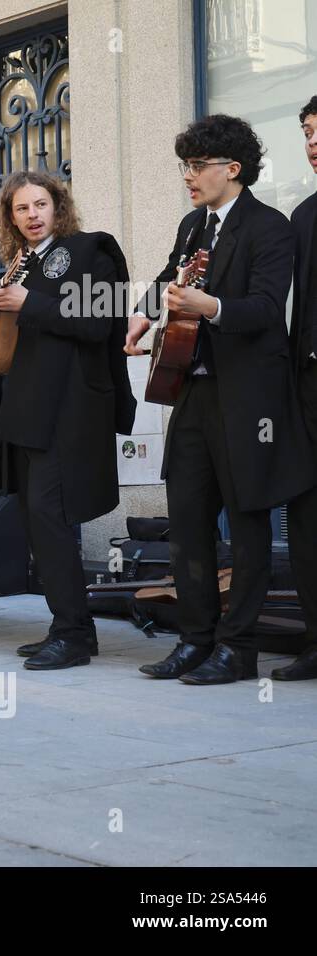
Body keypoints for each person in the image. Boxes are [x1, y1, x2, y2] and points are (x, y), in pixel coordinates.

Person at [126, 114, 313, 684]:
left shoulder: (270, 227)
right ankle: (195, 637)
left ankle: (239, 647)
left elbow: (264, 309)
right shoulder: (191, 225)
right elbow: (166, 278)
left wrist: (211, 308)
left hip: (248, 399)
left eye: (198, 165)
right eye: (184, 165)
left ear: (232, 169)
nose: (188, 175)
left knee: (248, 521)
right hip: (193, 391)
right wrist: (143, 312)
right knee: (186, 519)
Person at [0, 171, 136, 669]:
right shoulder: (20, 265)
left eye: (40, 204)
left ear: (58, 205)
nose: (32, 215)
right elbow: (25, 334)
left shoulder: (91, 249)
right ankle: (70, 627)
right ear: (10, 217)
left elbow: (98, 320)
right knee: (41, 522)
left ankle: (73, 633)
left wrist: (31, 304)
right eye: (21, 209)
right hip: (28, 409)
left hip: (70, 408)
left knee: (52, 517)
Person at [278, 95, 317, 681]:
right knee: (308, 514)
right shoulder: (304, 215)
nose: (314, 144)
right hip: (308, 385)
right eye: (308, 132)